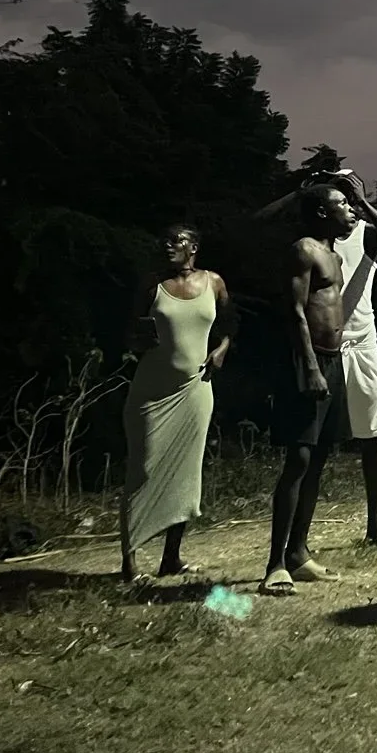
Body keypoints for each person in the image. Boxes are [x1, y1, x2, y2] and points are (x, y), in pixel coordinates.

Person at [260, 184, 358, 596]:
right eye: (343, 205)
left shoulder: (333, 254)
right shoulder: (303, 249)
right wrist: (312, 367)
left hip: (333, 361)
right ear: (321, 213)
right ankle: (275, 563)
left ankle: (299, 552)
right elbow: (295, 311)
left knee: (318, 458)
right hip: (309, 362)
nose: (351, 212)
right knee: (298, 458)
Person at [119, 225, 231, 582]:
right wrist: (139, 341)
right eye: (164, 241)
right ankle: (130, 562)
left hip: (196, 389)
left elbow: (232, 321)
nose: (168, 246)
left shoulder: (213, 282)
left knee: (186, 473)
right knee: (143, 469)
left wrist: (221, 349)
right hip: (153, 392)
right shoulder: (153, 286)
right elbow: (130, 332)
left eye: (176, 241)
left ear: (193, 247)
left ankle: (171, 557)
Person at [324, 167, 377, 550]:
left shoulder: (367, 234)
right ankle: (299, 538)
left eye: (350, 193)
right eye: (340, 195)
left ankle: (375, 525)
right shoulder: (315, 242)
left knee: (371, 436)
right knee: (318, 440)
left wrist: (364, 203)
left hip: (362, 343)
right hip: (325, 346)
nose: (348, 202)